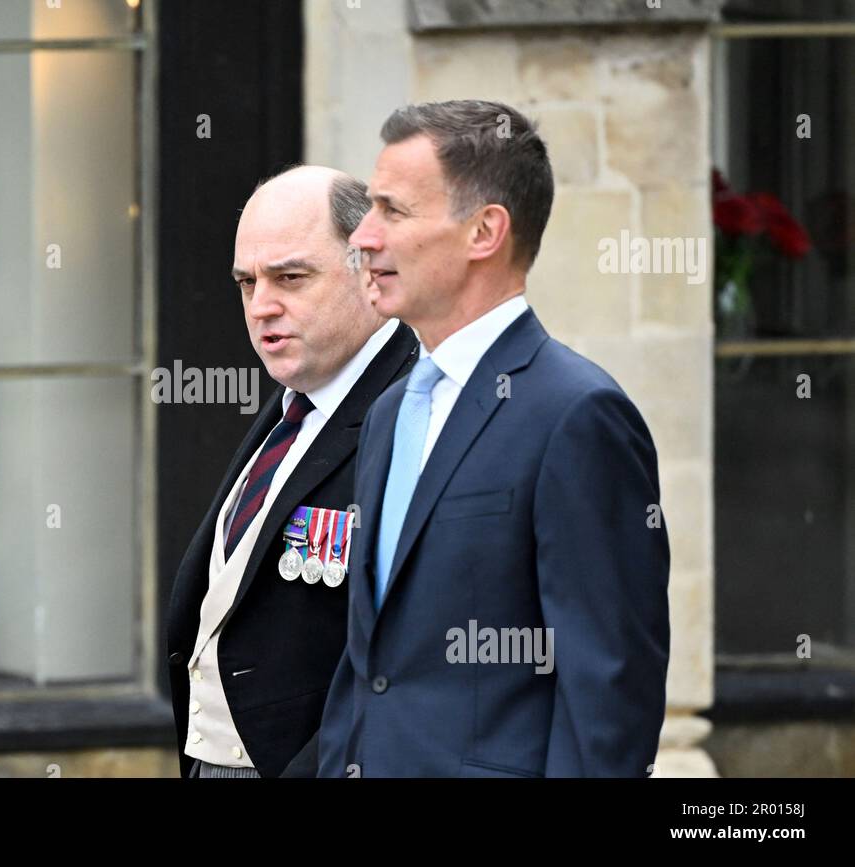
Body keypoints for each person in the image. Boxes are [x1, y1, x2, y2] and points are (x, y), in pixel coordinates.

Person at [317, 100, 670, 778]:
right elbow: (370, 664)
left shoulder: (578, 414)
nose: (362, 237)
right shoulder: (390, 412)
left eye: (392, 210)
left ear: (484, 231)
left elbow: (608, 695)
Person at [166, 165, 419, 778]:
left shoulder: (418, 416)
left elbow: (410, 662)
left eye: (291, 277)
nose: (262, 306)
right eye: (246, 282)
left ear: (372, 272)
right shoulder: (294, 405)